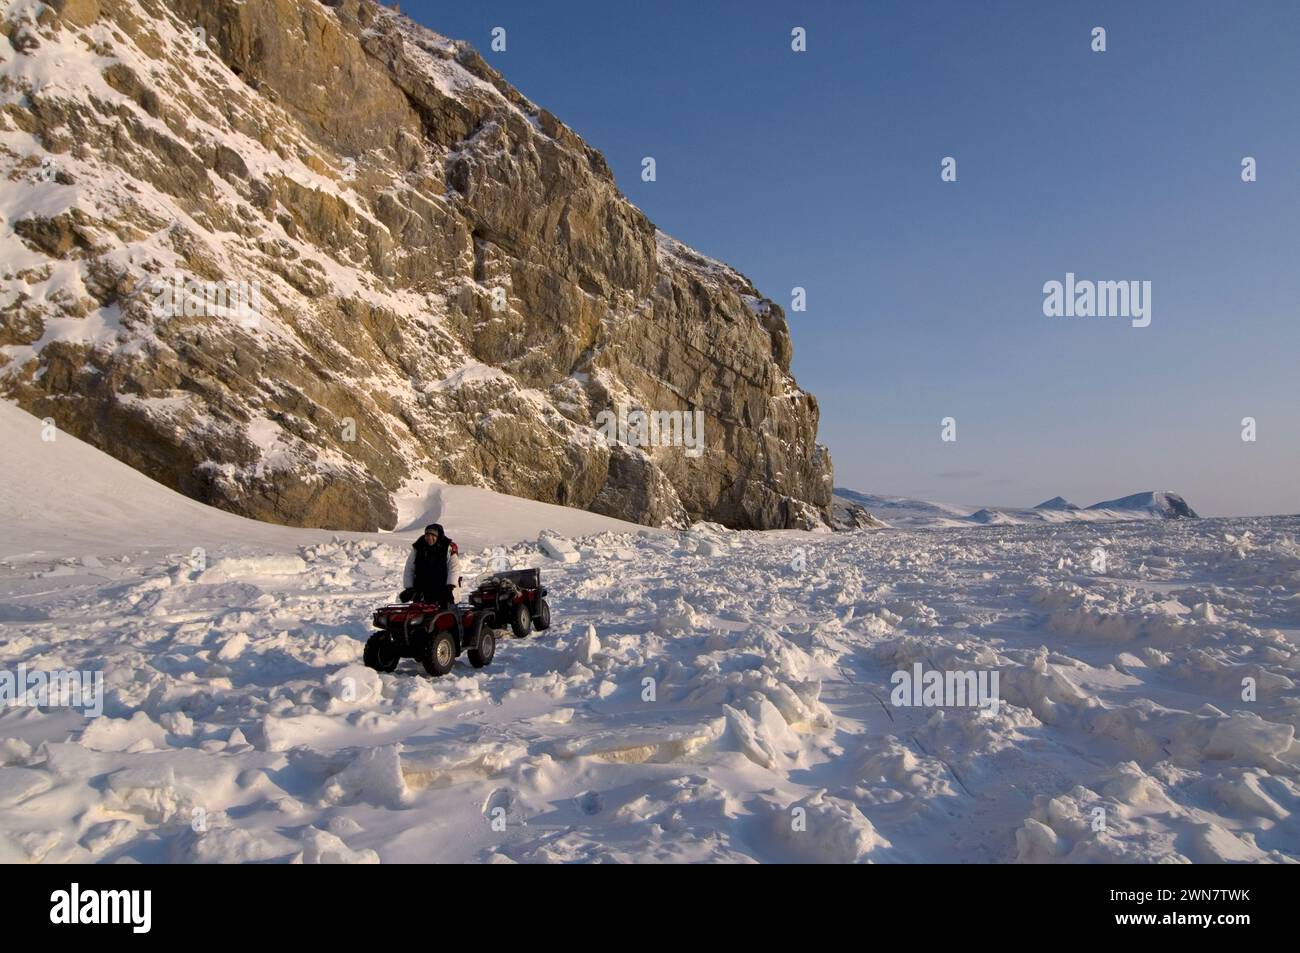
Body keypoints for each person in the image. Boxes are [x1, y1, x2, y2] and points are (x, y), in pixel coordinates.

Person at [399, 523, 460, 607]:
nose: (429, 538)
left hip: (443, 591)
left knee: (445, 617)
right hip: (422, 591)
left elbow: (454, 568)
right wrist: (409, 588)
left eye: (433, 535)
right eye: (427, 535)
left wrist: (450, 587)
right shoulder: (419, 547)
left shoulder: (447, 547)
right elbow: (409, 568)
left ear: (438, 536)